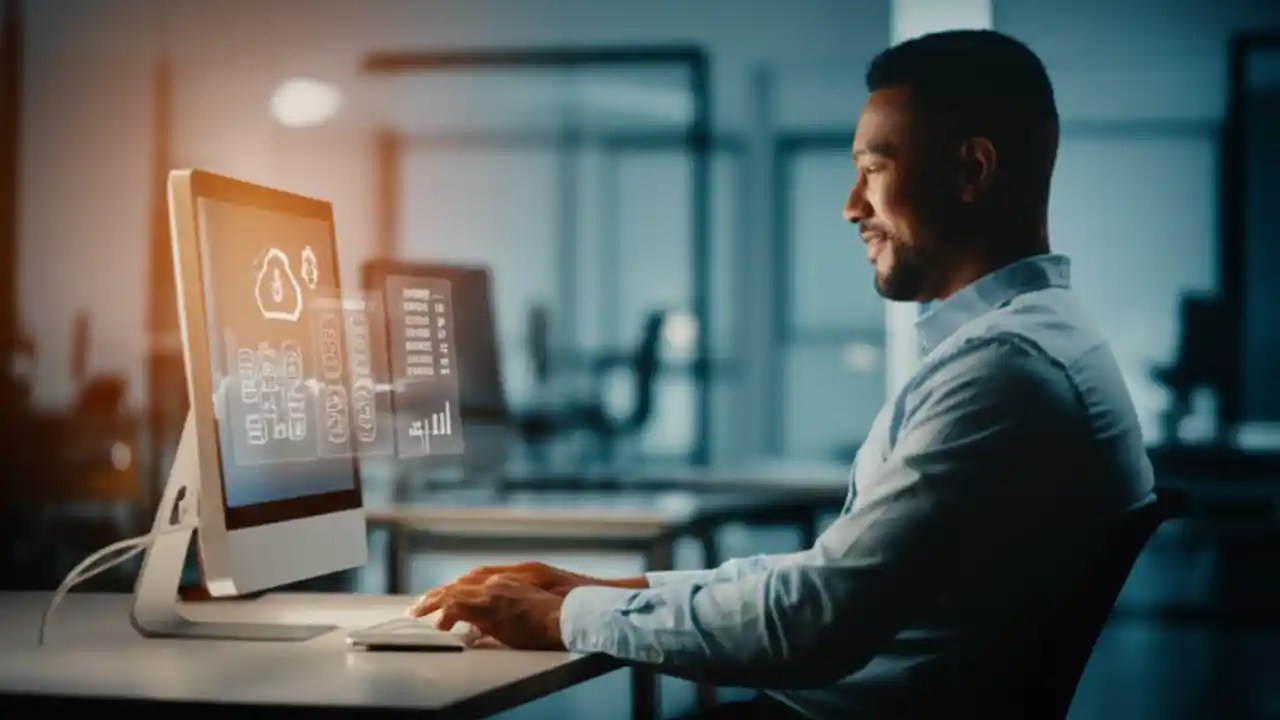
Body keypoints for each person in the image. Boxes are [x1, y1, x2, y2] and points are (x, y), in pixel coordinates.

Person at [406, 29, 1156, 718]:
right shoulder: (1044, 340)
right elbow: (832, 577)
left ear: (972, 169)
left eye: (872, 169)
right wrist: (594, 590)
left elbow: (814, 622)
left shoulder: (1006, 371)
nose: (850, 206)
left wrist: (562, 616)